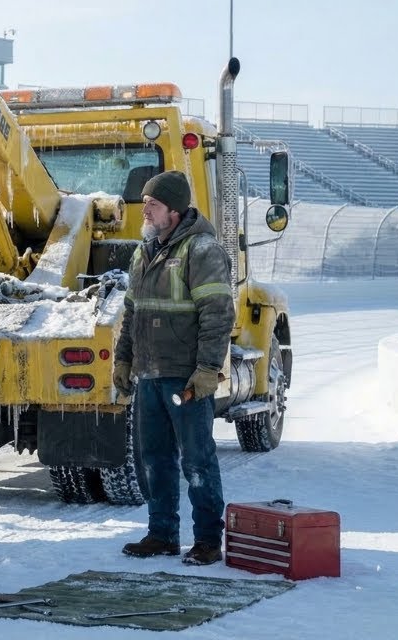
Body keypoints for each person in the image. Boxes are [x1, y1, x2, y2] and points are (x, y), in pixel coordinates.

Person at [112, 171, 234, 566]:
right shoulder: (143, 251)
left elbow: (217, 315)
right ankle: (162, 534)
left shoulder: (202, 251)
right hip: (149, 374)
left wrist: (207, 368)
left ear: (175, 212)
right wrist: (124, 357)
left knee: (197, 459)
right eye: (145, 202)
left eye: (154, 205)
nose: (145, 210)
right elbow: (132, 312)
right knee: (155, 458)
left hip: (185, 378)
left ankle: (207, 541)